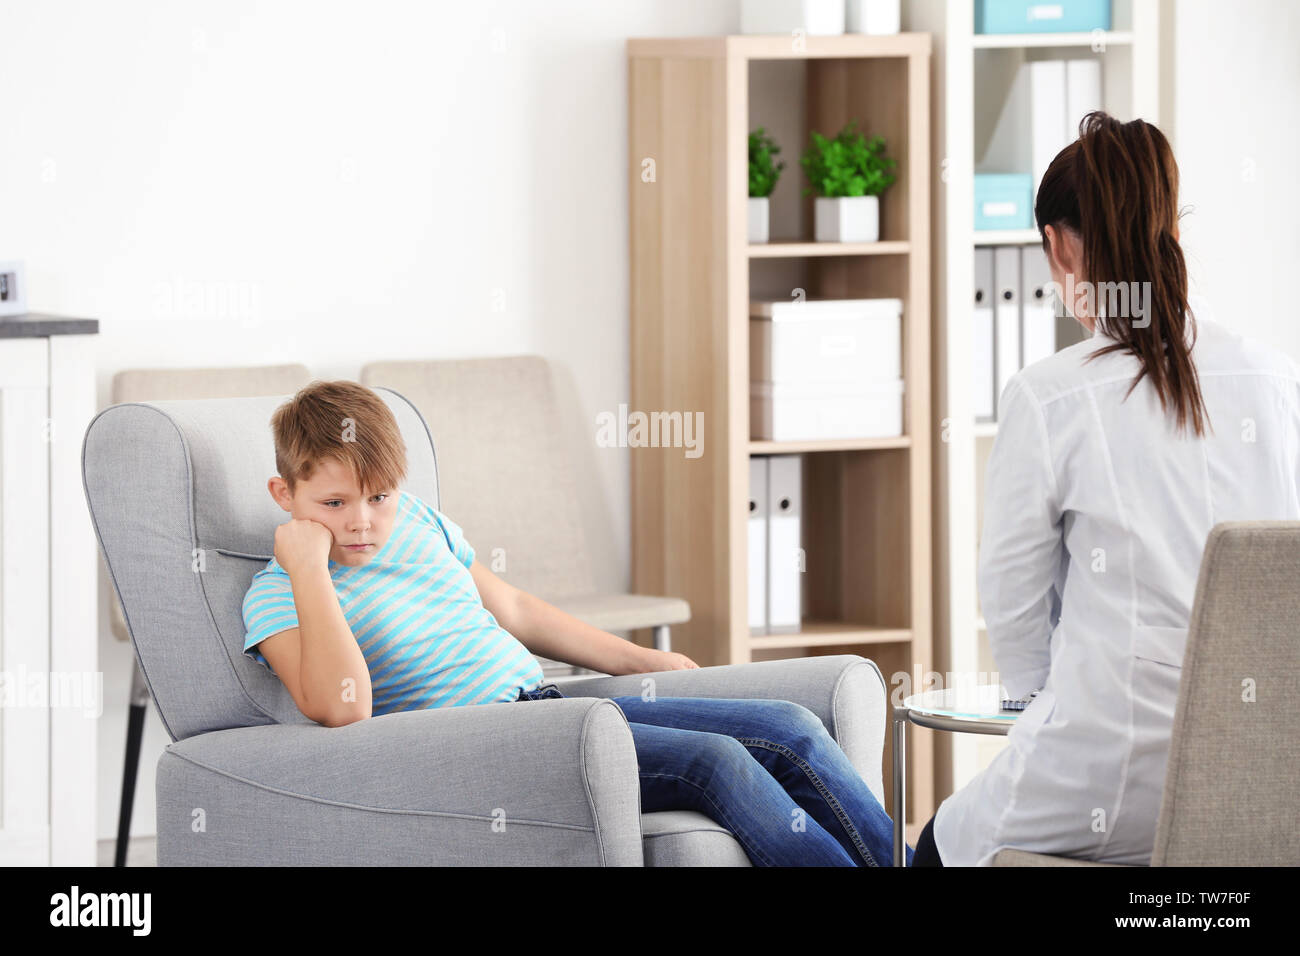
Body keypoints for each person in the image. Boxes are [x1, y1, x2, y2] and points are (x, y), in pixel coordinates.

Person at [242, 379, 913, 866]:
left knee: (791, 726)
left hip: (543, 709)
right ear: (285, 495)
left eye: (380, 497)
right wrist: (308, 568)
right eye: (334, 503)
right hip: (477, 752)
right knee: (715, 761)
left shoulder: (414, 523)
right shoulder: (276, 595)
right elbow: (343, 706)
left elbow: (514, 610)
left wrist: (640, 660)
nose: (363, 521)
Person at [911, 111, 1300, 866]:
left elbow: (1015, 609)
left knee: (936, 844)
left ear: (1058, 247)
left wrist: (1037, 704)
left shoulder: (1051, 396)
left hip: (1102, 791)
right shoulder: (1276, 379)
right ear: (1173, 228)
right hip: (1263, 790)